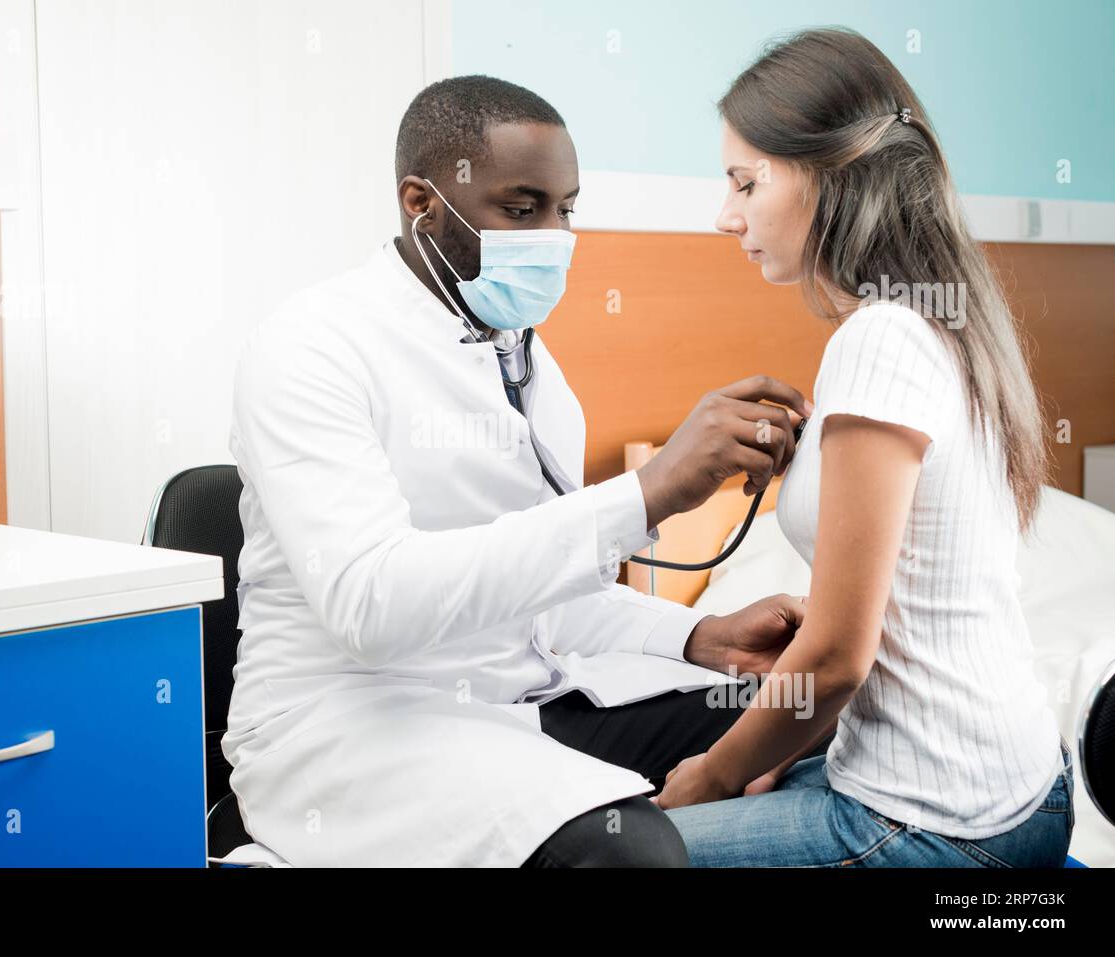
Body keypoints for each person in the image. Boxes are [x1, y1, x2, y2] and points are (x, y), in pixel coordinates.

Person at [223, 75, 814, 867]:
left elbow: (545, 604)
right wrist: (647, 491)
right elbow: (371, 601)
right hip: (355, 726)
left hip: (519, 706)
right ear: (420, 202)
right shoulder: (312, 347)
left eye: (567, 208)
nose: (554, 234)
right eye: (521, 207)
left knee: (800, 714)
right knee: (628, 853)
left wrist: (702, 636)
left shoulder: (534, 373)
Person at [657, 28, 1074, 868]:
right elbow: (885, 609)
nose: (725, 214)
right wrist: (775, 745)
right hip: (1021, 788)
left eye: (745, 182)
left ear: (829, 175)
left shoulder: (880, 339)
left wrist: (708, 775)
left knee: (603, 854)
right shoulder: (940, 324)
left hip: (937, 819)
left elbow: (842, 655)